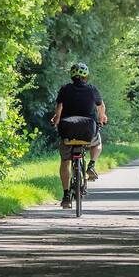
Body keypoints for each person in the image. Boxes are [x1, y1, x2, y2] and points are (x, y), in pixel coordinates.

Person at [50, 61, 108, 209]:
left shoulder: (65, 89)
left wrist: (56, 120)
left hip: (67, 129)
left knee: (65, 161)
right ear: (86, 76)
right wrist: (102, 119)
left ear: (72, 76)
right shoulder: (92, 89)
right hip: (87, 130)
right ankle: (92, 164)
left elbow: (59, 107)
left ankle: (66, 196)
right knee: (98, 142)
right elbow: (100, 106)